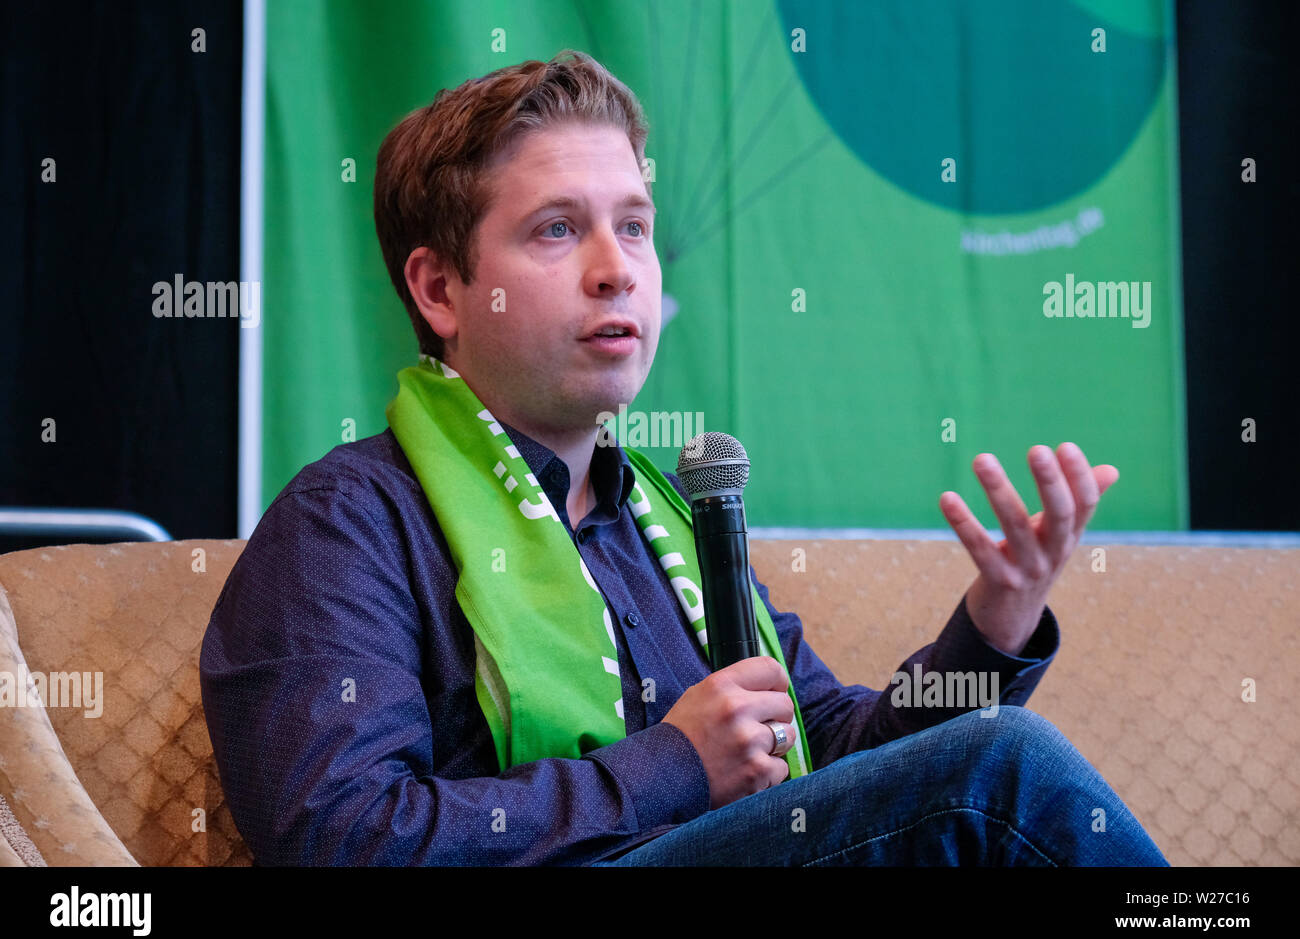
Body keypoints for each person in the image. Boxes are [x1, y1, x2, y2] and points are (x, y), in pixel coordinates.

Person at [199, 49, 1168, 867]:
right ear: (440, 288)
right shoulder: (351, 518)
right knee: (997, 775)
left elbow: (843, 765)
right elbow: (336, 833)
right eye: (556, 228)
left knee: (980, 771)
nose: (616, 265)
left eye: (632, 224)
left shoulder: (667, 518)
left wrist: (992, 630)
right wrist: (670, 762)